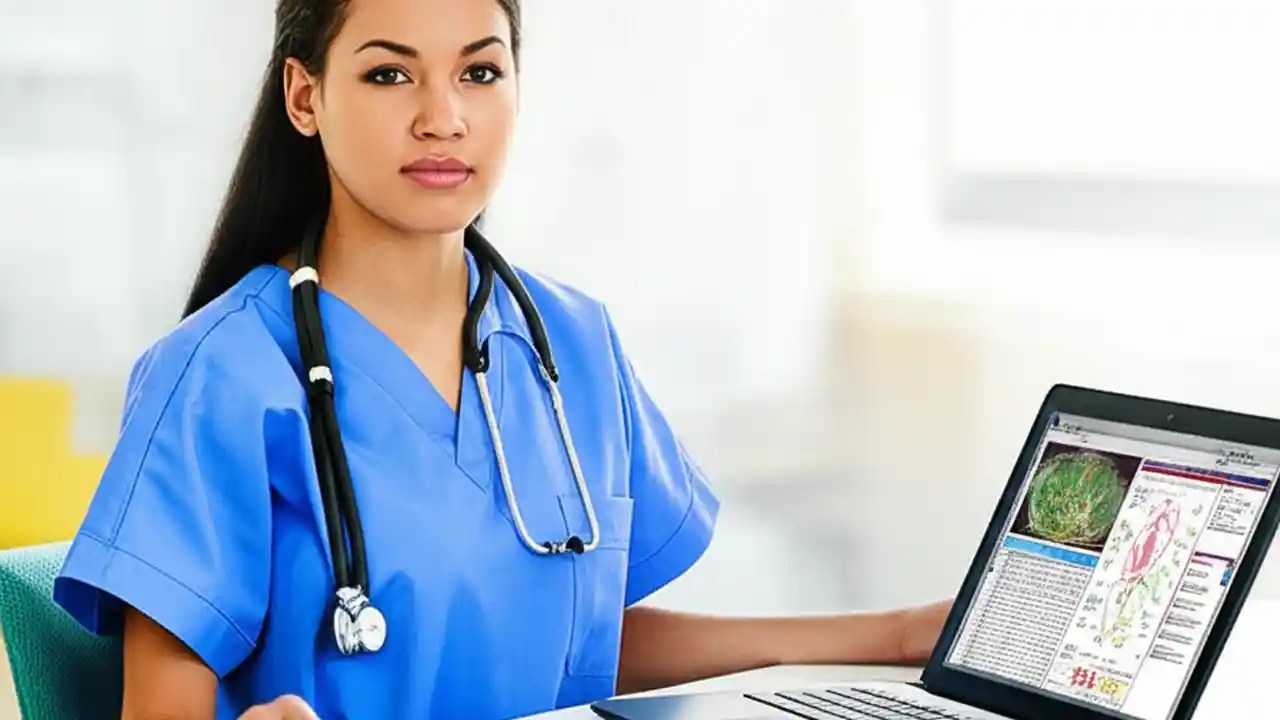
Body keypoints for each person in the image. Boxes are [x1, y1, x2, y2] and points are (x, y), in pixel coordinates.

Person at [51, 0, 951, 718]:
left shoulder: (575, 344)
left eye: (479, 72)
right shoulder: (219, 375)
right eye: (390, 73)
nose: (443, 119)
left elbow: (584, 643)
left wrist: (898, 636)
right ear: (304, 96)